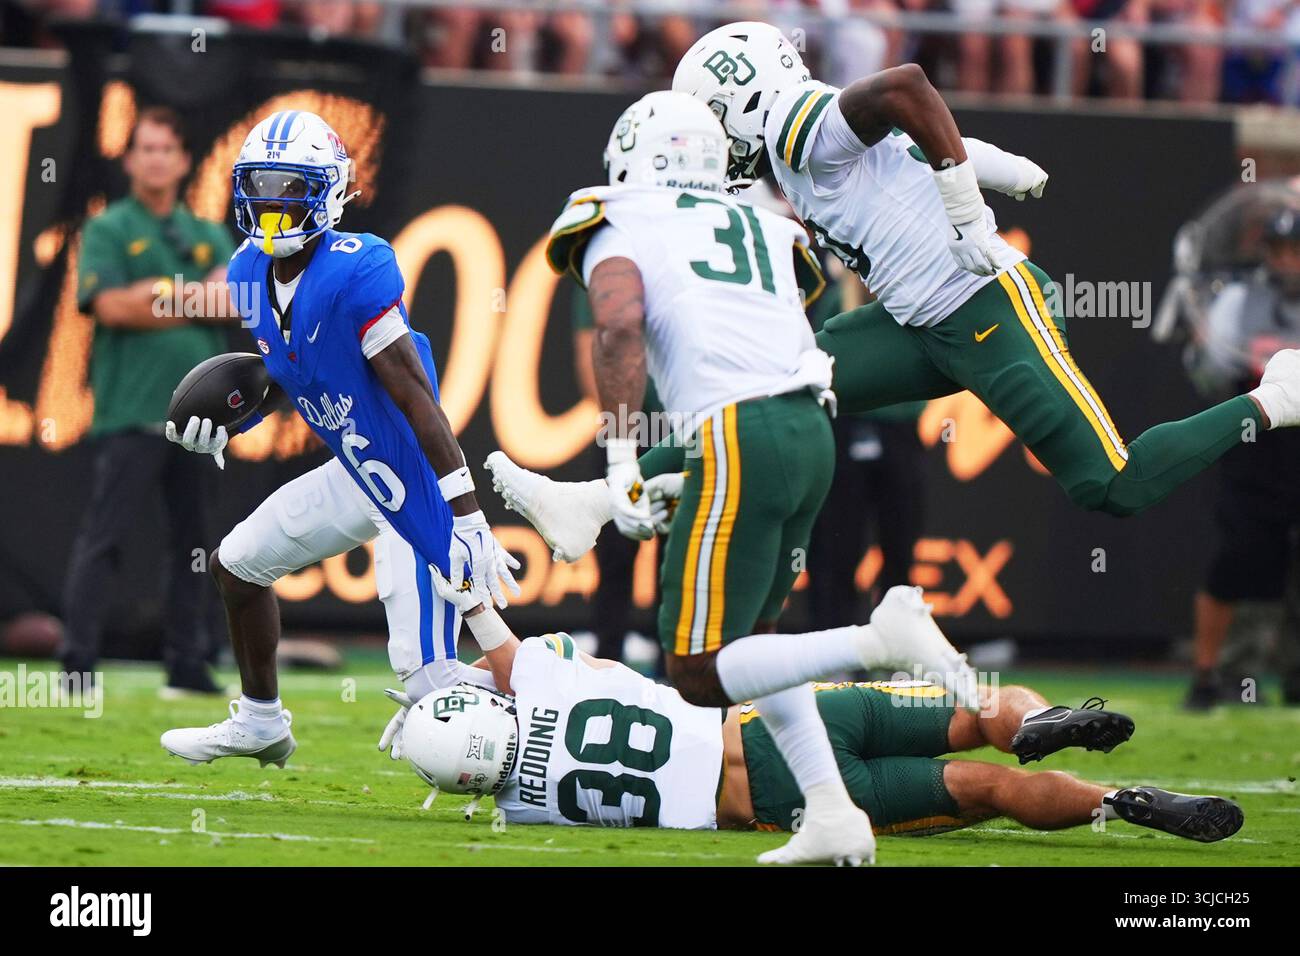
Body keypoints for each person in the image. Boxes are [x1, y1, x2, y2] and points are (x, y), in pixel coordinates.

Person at [488, 20, 1300, 562]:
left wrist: (968, 208)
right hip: (915, 322)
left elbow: (909, 86)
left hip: (985, 313)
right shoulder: (802, 132)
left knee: (1110, 487)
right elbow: (908, 141)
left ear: (735, 105)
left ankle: (1273, 401)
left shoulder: (795, 132)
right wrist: (999, 168)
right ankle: (595, 502)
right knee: (763, 391)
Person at [513, 89, 980, 866]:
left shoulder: (617, 213)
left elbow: (621, 322)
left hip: (739, 434)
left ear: (633, 153)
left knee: (696, 670)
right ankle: (831, 810)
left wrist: (624, 457)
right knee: (755, 648)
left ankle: (878, 636)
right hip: (808, 429)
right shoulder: (769, 222)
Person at [158, 110, 518, 768]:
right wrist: (235, 418)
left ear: (326, 189)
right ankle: (262, 722)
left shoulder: (357, 268)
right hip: (359, 472)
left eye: (288, 186)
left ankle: (564, 709)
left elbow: (413, 393)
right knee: (237, 566)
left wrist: (464, 511)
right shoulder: (245, 272)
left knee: (432, 682)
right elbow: (288, 370)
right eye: (260, 185)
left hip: (409, 483)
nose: (270, 202)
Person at [392, 574, 1243, 847]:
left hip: (781, 800)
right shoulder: (541, 675)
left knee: (980, 788)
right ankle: (1036, 721)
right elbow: (508, 637)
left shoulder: (518, 803)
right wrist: (459, 583)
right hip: (779, 724)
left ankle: (1118, 805)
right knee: (977, 711)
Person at [62, 106, 236, 698]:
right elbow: (110, 307)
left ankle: (187, 660)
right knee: (105, 537)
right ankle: (77, 662)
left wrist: (156, 295)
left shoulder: (209, 233)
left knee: (196, 545)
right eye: (147, 148)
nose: (157, 158)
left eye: (167, 148)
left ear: (184, 160)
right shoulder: (109, 228)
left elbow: (234, 304)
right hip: (131, 411)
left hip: (201, 420)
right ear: (130, 158)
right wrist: (191, 295)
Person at [1184, 207, 1300, 709]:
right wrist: (1206, 351)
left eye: (1296, 251)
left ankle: (1293, 675)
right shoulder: (1236, 301)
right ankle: (1212, 676)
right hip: (1258, 440)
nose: (1289, 261)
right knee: (1237, 558)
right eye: (1281, 251)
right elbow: (1209, 375)